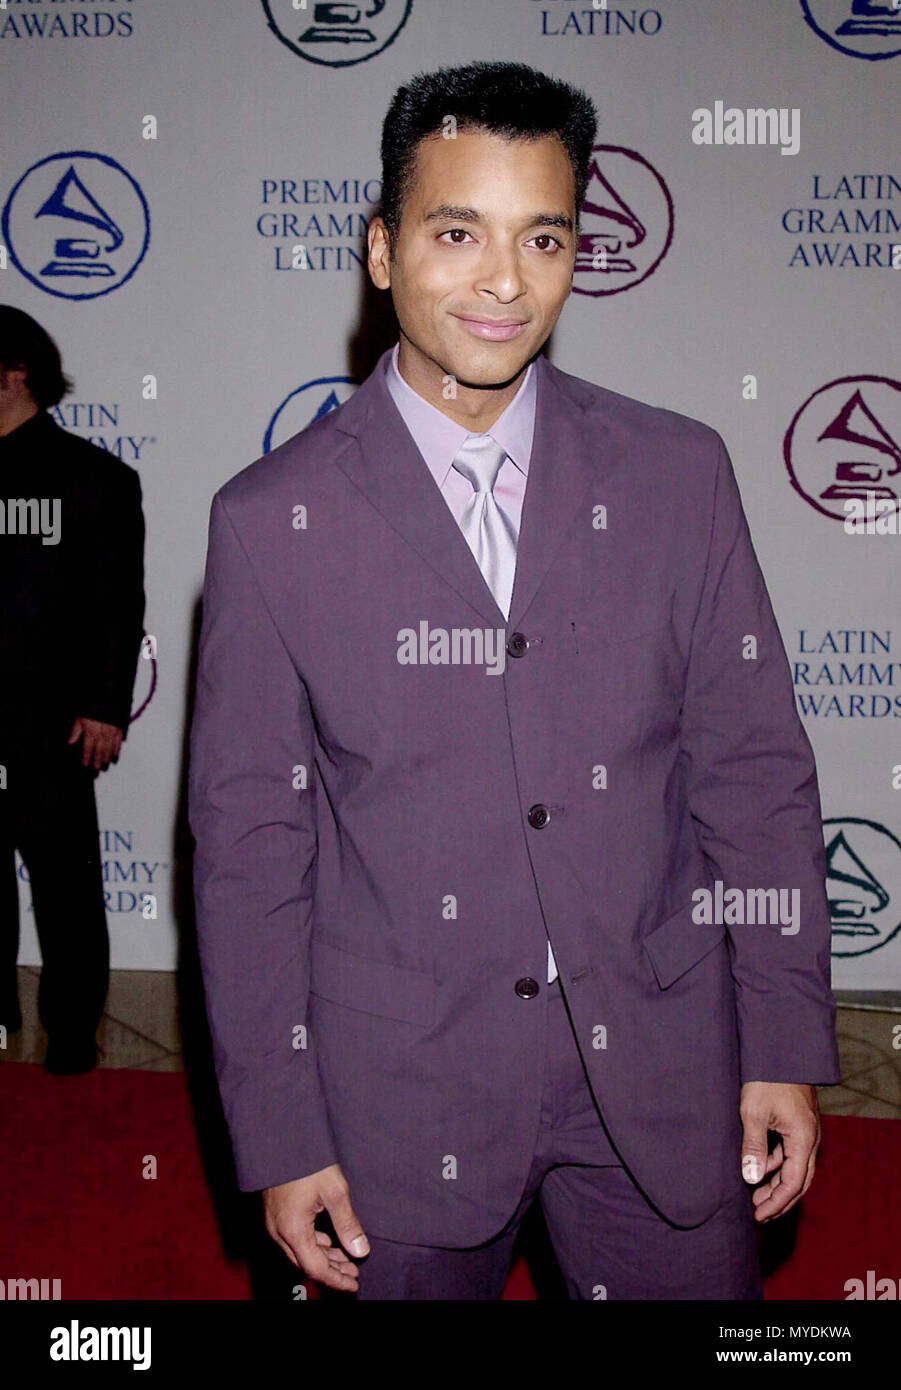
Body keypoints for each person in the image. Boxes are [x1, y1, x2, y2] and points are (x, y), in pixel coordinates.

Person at [189, 61, 841, 1300]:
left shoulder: (677, 473)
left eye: (542, 236)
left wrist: (781, 1039)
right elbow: (249, 851)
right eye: (456, 232)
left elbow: (754, 777)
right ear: (381, 251)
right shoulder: (272, 522)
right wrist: (280, 1131)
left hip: (662, 1068)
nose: (503, 280)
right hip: (395, 1097)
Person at [0, 306, 145, 1075]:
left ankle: (70, 1030)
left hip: (50, 723)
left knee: (65, 889)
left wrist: (103, 706)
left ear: (17, 371)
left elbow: (117, 606)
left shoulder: (94, 479)